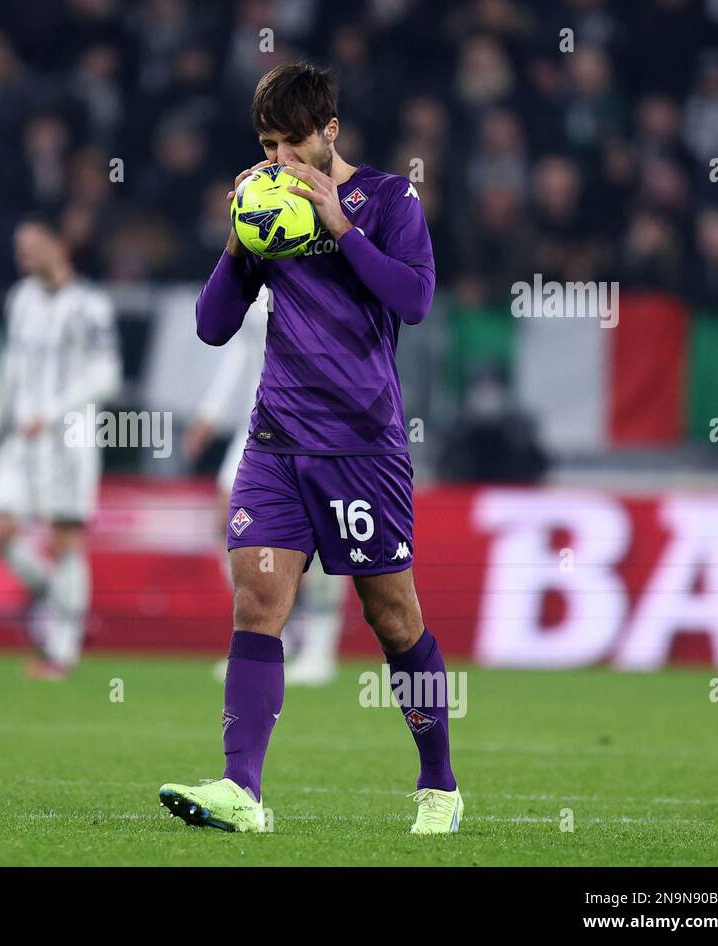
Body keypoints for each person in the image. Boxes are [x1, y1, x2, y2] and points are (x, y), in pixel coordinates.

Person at [160, 63, 461, 834]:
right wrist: (237, 243)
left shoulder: (390, 201)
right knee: (258, 603)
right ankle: (242, 792)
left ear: (330, 132)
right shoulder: (265, 207)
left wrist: (341, 227)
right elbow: (212, 326)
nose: (280, 163)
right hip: (275, 441)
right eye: (267, 146)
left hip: (361, 445)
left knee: (392, 617)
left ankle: (439, 785)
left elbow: (415, 300)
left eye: (294, 145)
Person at [0, 215, 120, 679]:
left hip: (69, 439)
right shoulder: (21, 300)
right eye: (20, 248)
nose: (24, 257)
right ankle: (60, 600)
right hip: (20, 438)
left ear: (60, 244)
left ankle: (64, 650)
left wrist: (53, 412)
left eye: (32, 245)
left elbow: (107, 377)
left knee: (64, 540)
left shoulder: (91, 306)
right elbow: (10, 366)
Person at [182, 287, 345, 687]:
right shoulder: (259, 271)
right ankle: (275, 637)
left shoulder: (329, 274)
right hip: (261, 420)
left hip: (320, 421)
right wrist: (209, 414)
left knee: (327, 535)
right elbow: (243, 351)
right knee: (230, 523)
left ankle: (321, 649)